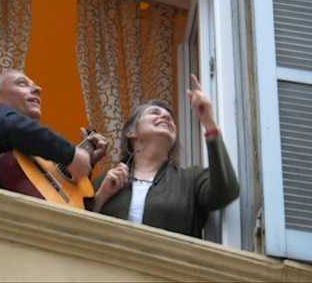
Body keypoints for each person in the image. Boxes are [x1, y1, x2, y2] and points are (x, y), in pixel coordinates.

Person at [88, 74, 239, 238]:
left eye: (170, 118)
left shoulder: (189, 180)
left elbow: (226, 191)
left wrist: (208, 121)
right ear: (131, 132)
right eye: (154, 112)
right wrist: (101, 196)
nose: (166, 117)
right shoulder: (107, 181)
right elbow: (78, 229)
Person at [0, 69, 106, 188]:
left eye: (34, 85)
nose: (38, 89)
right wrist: (70, 154)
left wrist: (86, 162)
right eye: (22, 84)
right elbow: (16, 128)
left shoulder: (29, 151)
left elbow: (63, 200)